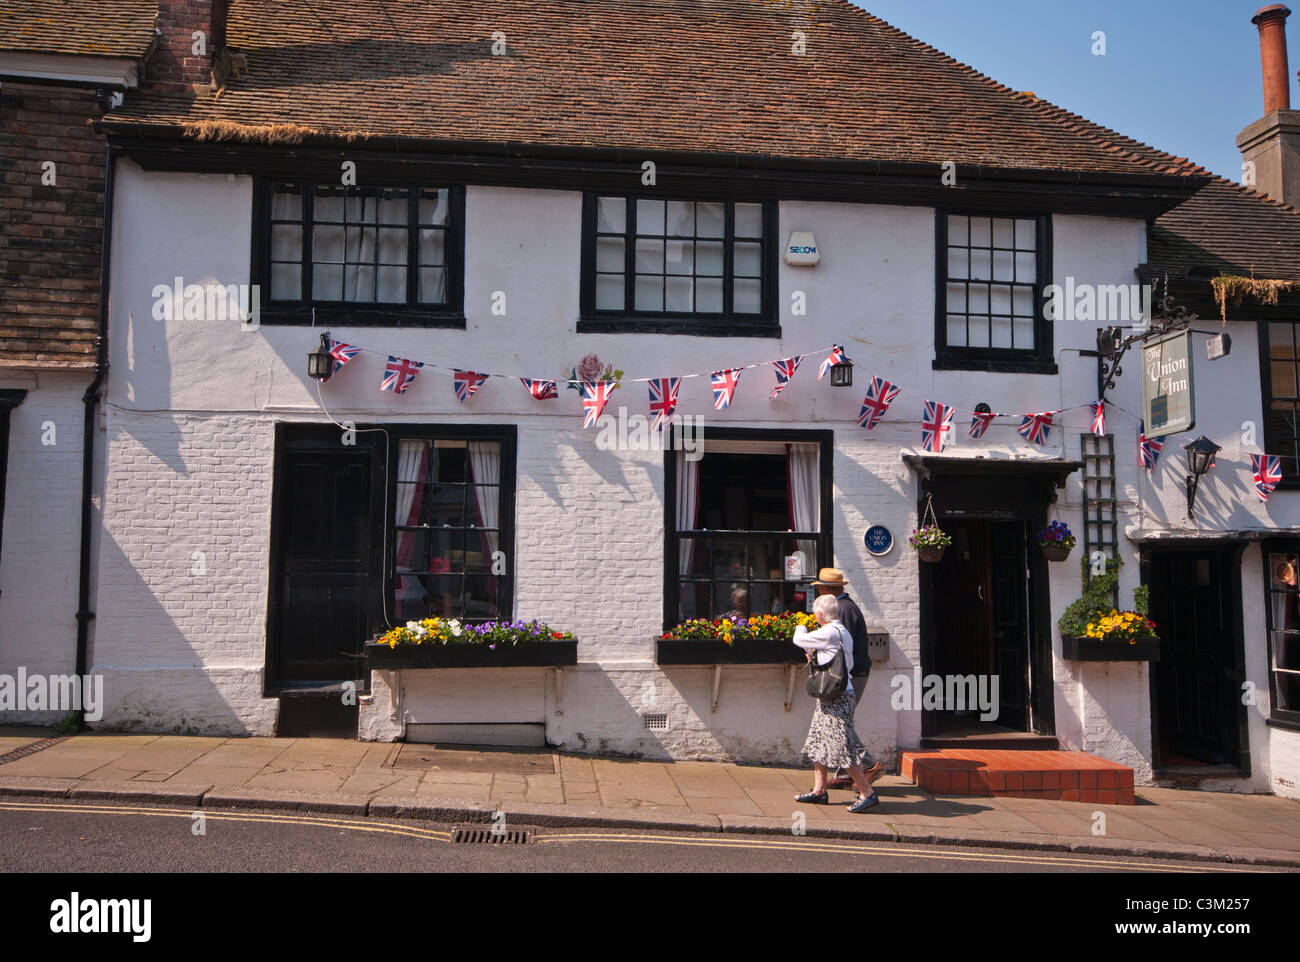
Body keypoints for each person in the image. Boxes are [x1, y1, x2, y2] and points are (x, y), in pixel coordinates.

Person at [792, 593, 880, 813]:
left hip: (837, 698)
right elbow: (833, 659)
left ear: (820, 614)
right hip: (835, 694)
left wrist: (801, 625)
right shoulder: (842, 632)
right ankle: (819, 791)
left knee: (842, 748)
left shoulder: (828, 632)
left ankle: (868, 794)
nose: (814, 616)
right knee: (819, 741)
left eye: (815, 613)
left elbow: (798, 639)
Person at [811, 568, 884, 787]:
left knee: (839, 725)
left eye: (820, 589)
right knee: (842, 722)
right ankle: (845, 774)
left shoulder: (843, 610)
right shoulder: (844, 607)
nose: (818, 593)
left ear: (827, 589)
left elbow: (842, 650)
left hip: (850, 676)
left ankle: (869, 765)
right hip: (852, 674)